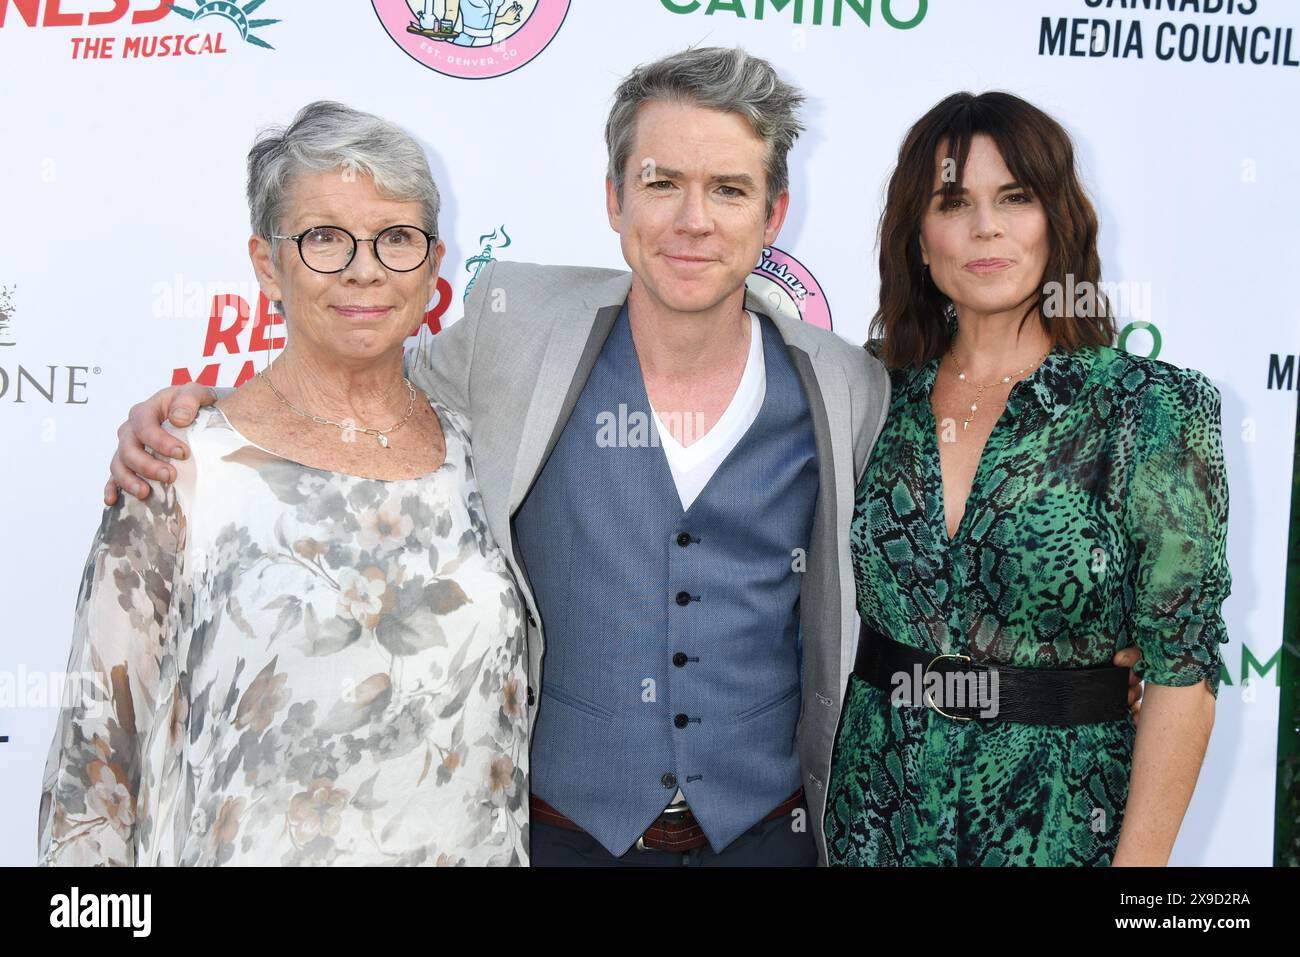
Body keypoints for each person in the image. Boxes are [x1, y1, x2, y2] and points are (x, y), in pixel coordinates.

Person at [102, 50, 1142, 866]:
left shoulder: (849, 386)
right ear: (613, 200)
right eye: (662, 183)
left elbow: (949, 538)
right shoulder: (514, 328)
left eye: (729, 189)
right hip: (558, 837)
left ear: (773, 213)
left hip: (770, 840)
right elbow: (360, 381)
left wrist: (1087, 661)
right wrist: (202, 414)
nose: (694, 220)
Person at [40, 102, 528, 866]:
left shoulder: (485, 451)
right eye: (324, 238)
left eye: (396, 238)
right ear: (268, 262)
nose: (364, 268)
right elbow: (91, 770)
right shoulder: (179, 466)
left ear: (434, 264)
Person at [822, 92, 1229, 866]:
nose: (987, 228)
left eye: (1016, 197)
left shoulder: (1149, 410)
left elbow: (1182, 673)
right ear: (918, 234)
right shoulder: (869, 390)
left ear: (1058, 220)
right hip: (875, 820)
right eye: (953, 202)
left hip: (1061, 827)